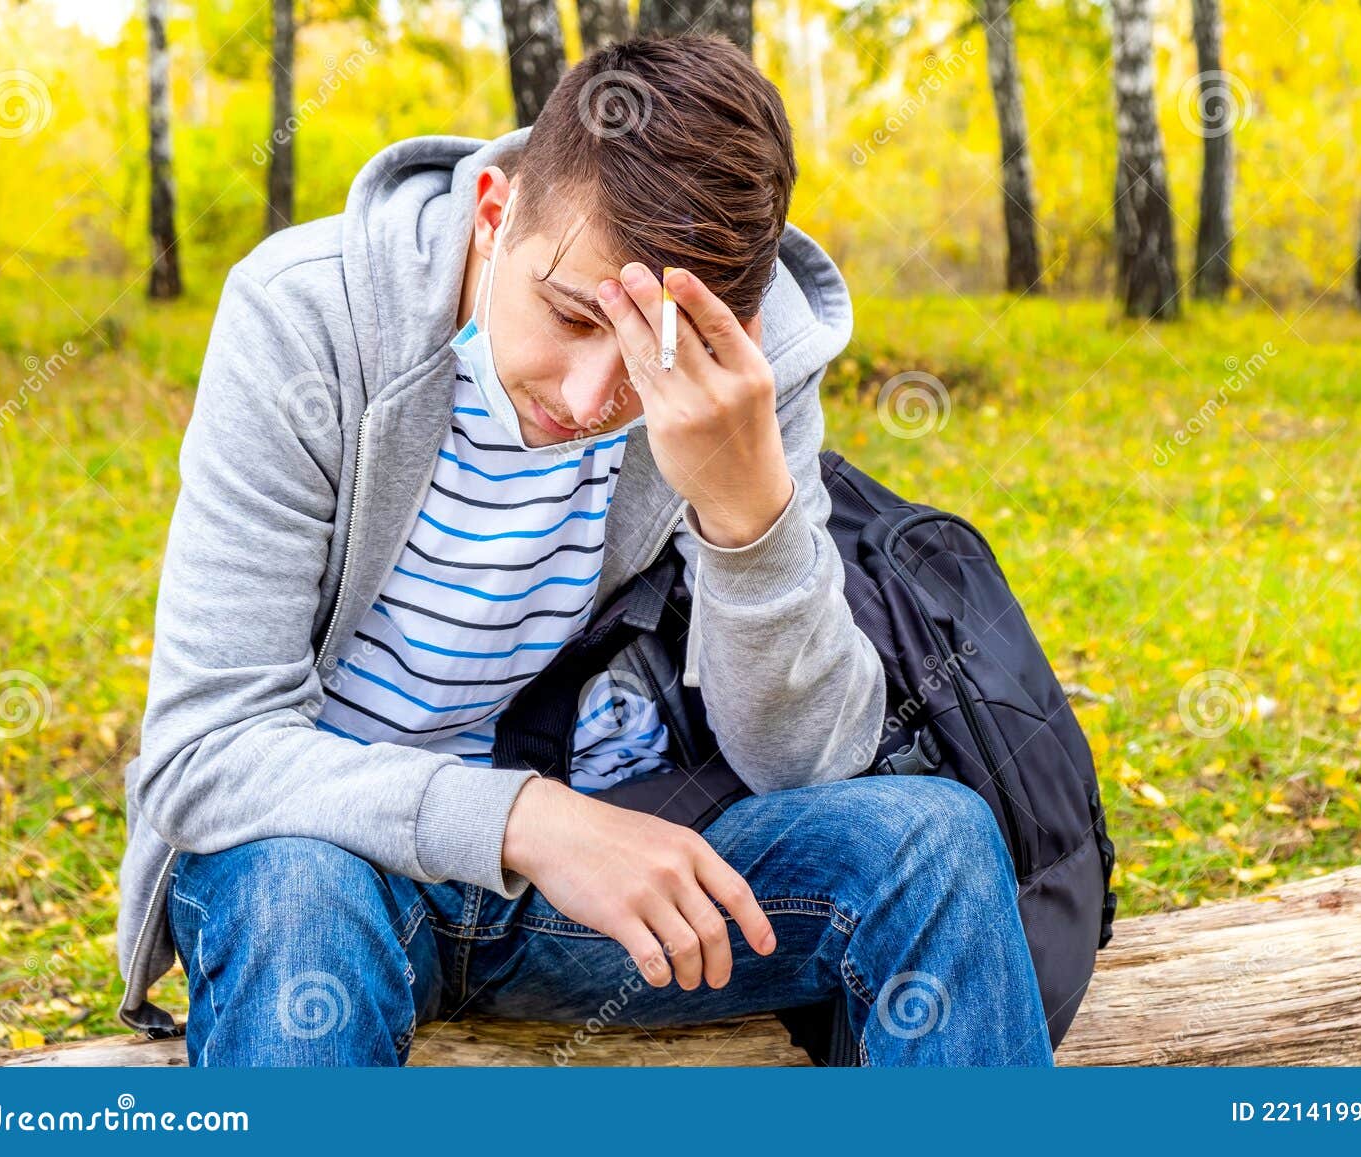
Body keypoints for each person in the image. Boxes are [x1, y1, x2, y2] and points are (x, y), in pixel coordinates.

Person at [116, 34, 1053, 1068]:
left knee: (935, 843)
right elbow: (203, 752)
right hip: (334, 856)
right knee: (297, 891)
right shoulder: (307, 315)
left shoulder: (754, 363)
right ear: (492, 211)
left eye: (650, 357)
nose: (586, 400)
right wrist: (531, 822)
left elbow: (811, 761)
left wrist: (749, 520)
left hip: (608, 874)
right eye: (568, 314)